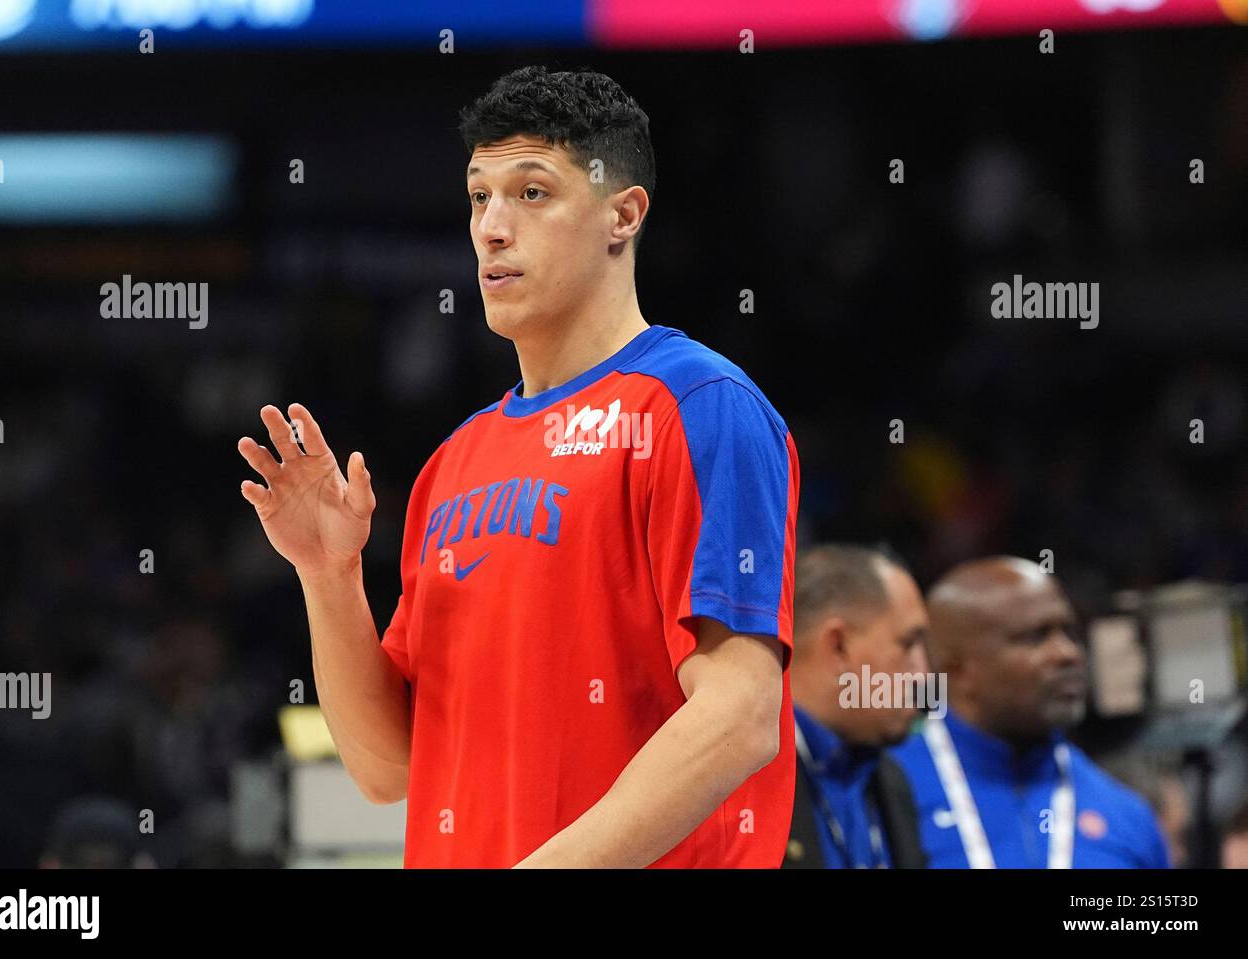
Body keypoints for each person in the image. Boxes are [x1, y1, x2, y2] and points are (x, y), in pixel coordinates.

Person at [236, 66, 801, 867]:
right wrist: (329, 577)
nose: (492, 227)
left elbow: (741, 714)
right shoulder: (453, 462)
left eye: (532, 192)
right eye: (479, 196)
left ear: (623, 214)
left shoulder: (697, 405)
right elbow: (387, 768)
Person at [892, 557, 1170, 868]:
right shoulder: (882, 796)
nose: (1067, 654)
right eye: (1036, 637)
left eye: (1070, 633)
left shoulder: (1125, 815)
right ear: (958, 670)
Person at [783, 545, 931, 868]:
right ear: (838, 646)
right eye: (907, 644)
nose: (923, 675)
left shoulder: (892, 783)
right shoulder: (743, 779)